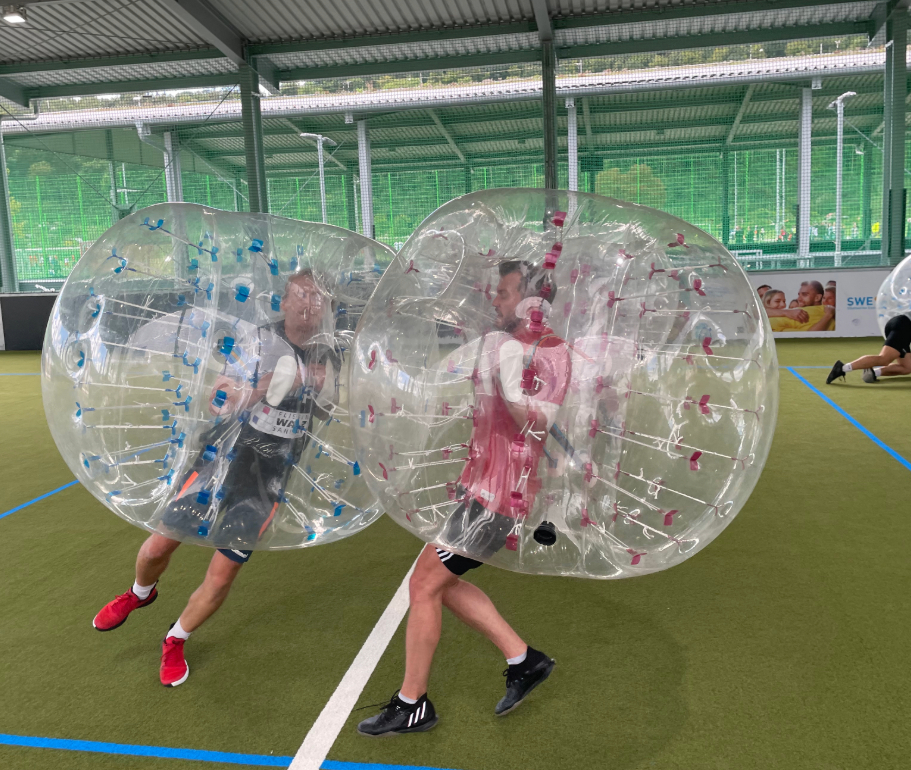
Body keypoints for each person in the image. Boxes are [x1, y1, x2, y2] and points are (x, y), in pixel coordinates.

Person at [91, 269, 338, 686]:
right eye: (301, 295)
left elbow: (328, 410)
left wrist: (314, 385)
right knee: (156, 548)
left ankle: (175, 639)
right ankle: (139, 593)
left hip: (269, 478)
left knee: (222, 574)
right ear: (283, 301)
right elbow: (221, 398)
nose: (308, 305)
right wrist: (262, 387)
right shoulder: (259, 341)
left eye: (317, 299)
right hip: (219, 462)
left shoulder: (327, 354)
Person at [357, 260, 569, 737]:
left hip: (498, 499)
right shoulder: (504, 345)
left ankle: (413, 703)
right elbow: (438, 377)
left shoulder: (551, 355)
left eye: (506, 293)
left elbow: (538, 423)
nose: (495, 300)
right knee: (438, 585)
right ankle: (523, 660)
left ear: (534, 304)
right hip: (481, 489)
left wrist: (509, 379)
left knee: (425, 585)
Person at [827, 310, 911, 384]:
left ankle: (873, 373)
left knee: (906, 367)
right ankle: (843, 368)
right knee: (884, 359)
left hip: (902, 326)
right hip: (904, 327)